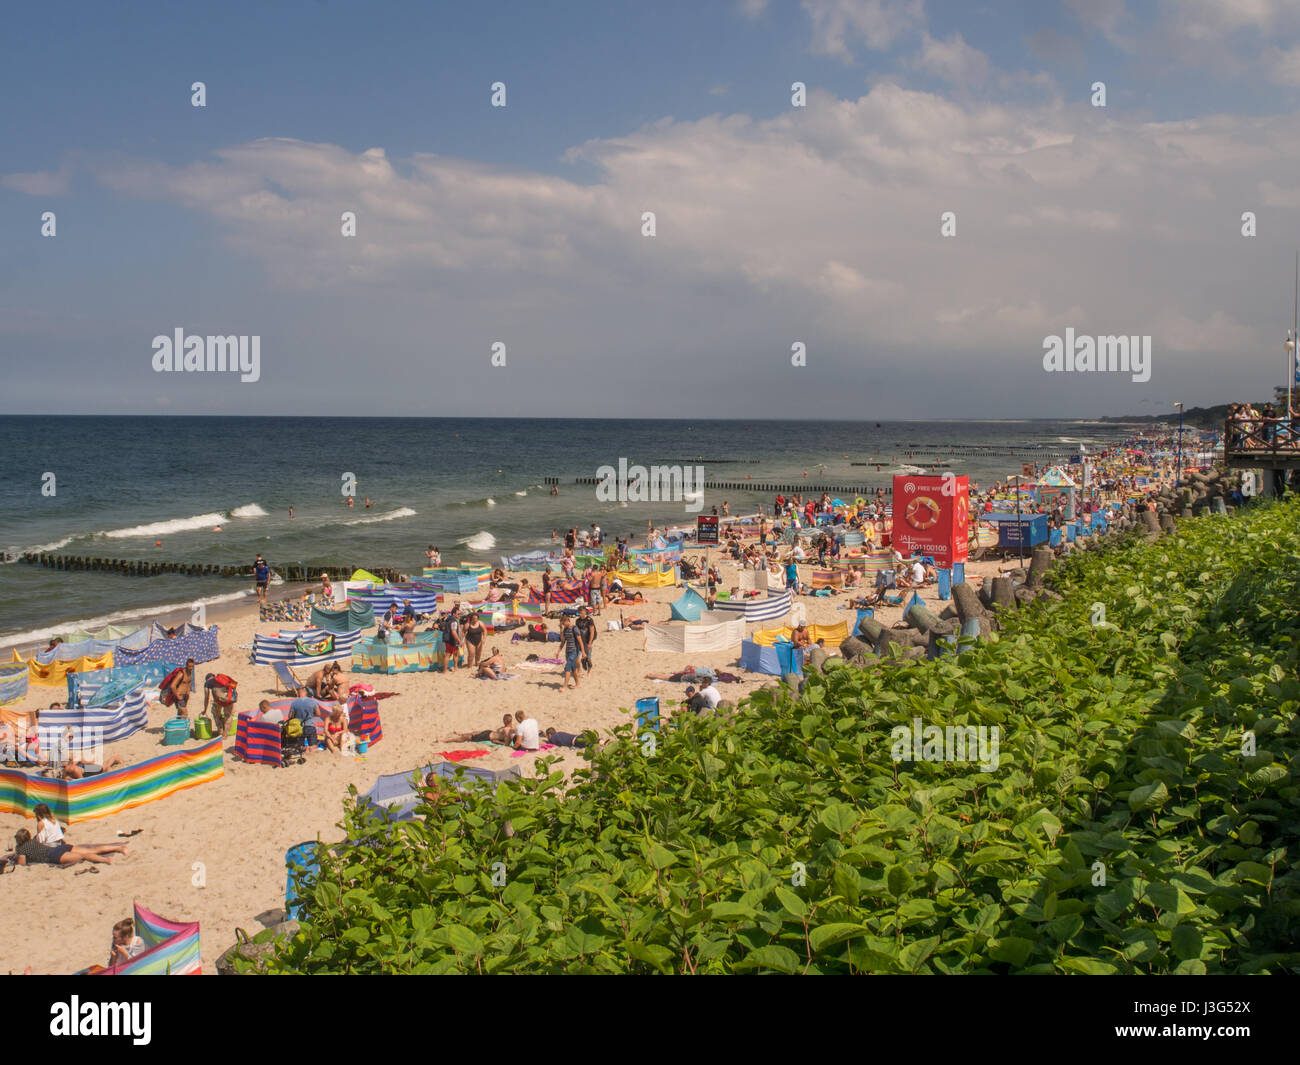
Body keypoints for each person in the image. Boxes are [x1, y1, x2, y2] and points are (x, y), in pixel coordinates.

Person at [11, 828, 129, 868]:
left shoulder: (22, 849)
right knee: (92, 850)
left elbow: (22, 864)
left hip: (54, 856)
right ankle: (119, 848)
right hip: (59, 848)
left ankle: (106, 860)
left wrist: (16, 858)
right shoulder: (33, 841)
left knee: (83, 856)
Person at [560, 614, 585, 691]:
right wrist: (558, 651)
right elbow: (563, 641)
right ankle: (577, 683)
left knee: (567, 668)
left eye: (563, 623)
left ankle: (564, 686)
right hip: (568, 651)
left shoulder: (575, 628)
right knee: (573, 669)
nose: (563, 625)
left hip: (574, 651)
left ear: (567, 621)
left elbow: (580, 641)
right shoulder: (565, 629)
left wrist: (583, 652)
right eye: (562, 624)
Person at [575, 606, 596, 674]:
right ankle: (579, 670)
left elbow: (592, 632)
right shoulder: (577, 621)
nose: (580, 614)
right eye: (579, 612)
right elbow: (577, 632)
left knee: (588, 657)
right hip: (580, 640)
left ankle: (588, 672)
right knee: (577, 656)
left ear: (585, 612)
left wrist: (590, 643)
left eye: (581, 612)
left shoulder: (589, 620)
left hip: (587, 640)